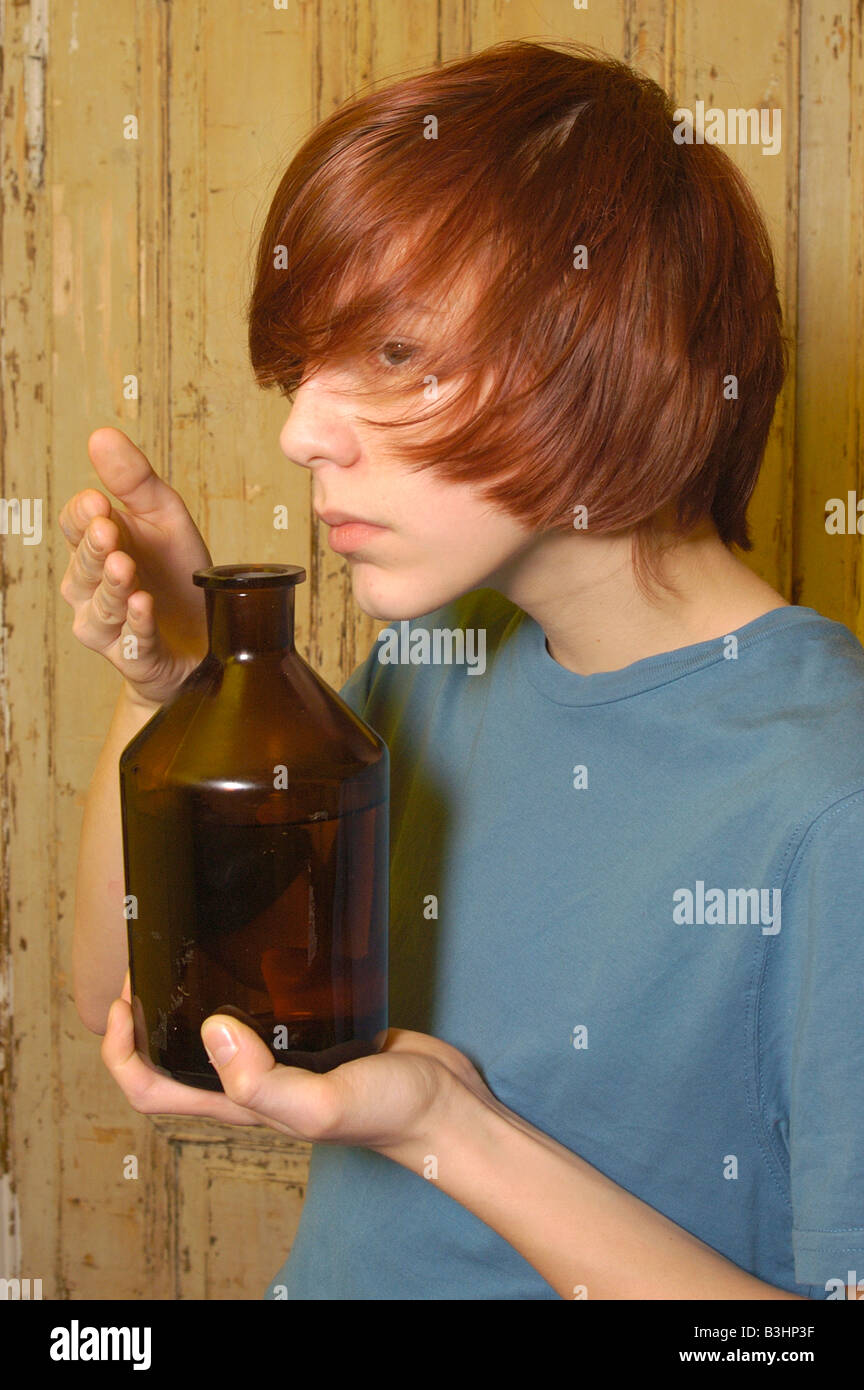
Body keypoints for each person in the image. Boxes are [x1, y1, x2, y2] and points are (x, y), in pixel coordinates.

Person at [60, 40, 864, 1301]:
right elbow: (119, 988)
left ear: (612, 341)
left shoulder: (830, 797)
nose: (299, 432)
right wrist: (176, 689)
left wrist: (449, 1129)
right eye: (308, 367)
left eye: (389, 356)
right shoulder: (422, 673)